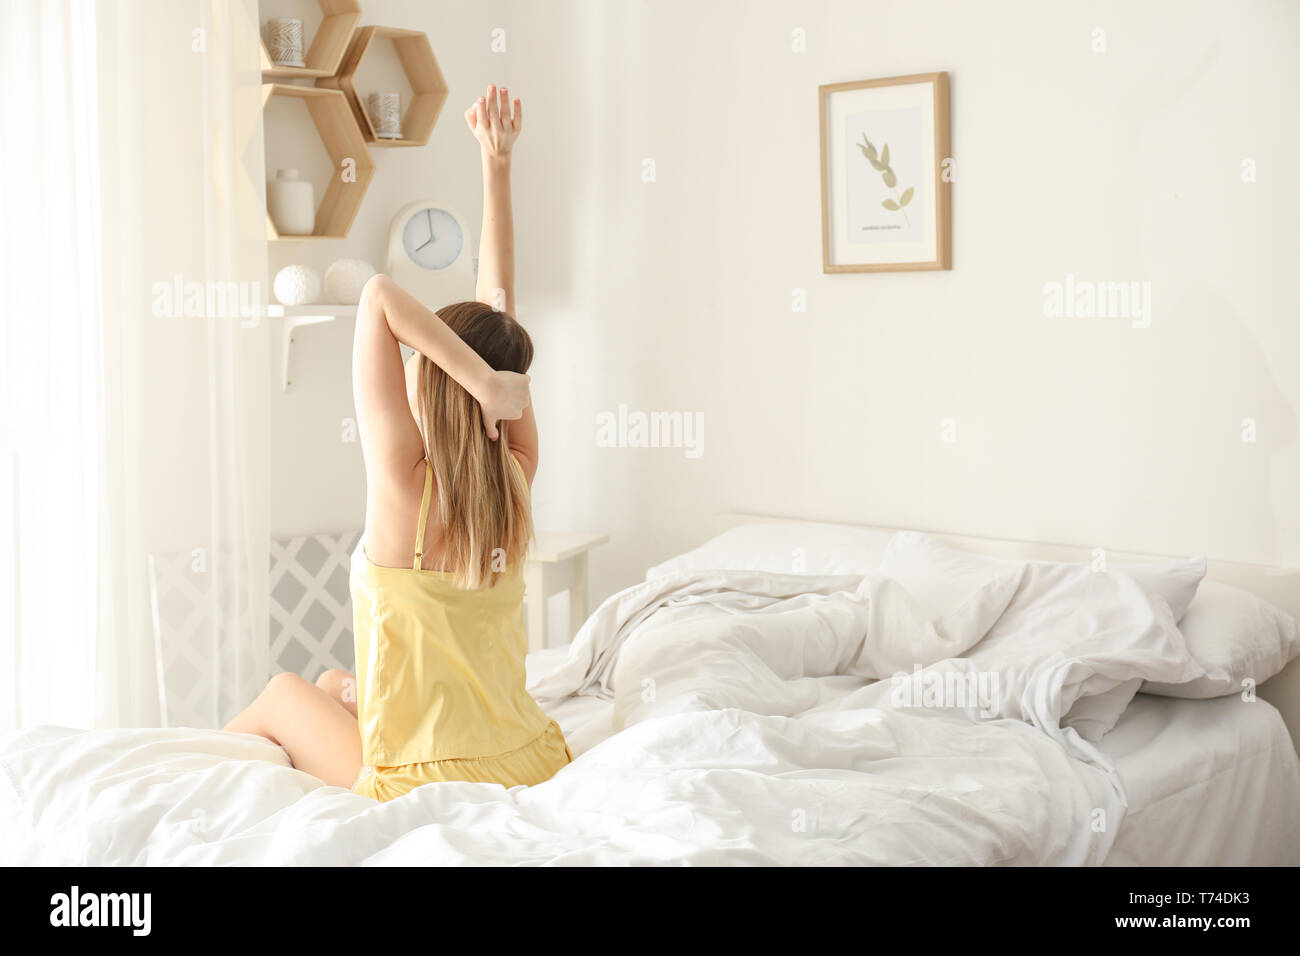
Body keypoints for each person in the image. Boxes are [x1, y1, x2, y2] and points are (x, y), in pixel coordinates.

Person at [223, 85, 572, 800]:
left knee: (284, 691)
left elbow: (379, 295)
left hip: (420, 778)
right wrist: (496, 165)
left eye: (424, 359)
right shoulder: (515, 475)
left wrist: (474, 376)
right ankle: (346, 698)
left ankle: (193, 788)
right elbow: (499, 320)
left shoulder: (401, 486)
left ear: (440, 383)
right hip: (526, 757)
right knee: (331, 685)